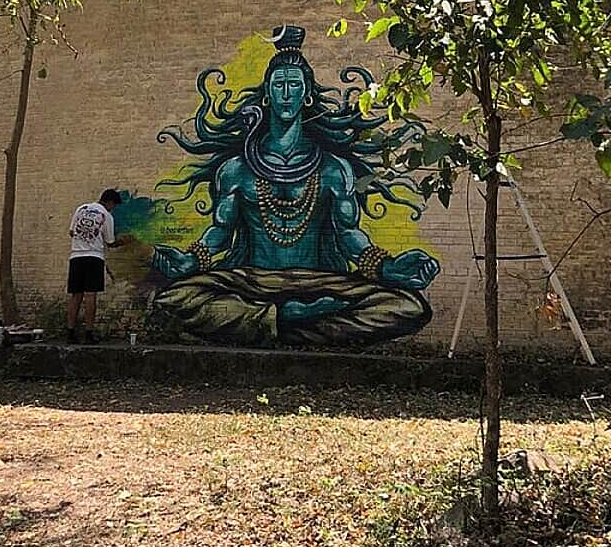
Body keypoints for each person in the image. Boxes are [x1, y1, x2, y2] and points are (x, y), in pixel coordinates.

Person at [150, 25, 440, 347]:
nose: (286, 94)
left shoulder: (333, 169)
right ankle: (293, 319)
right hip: (252, 280)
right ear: (267, 93)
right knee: (175, 297)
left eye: (294, 85)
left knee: (407, 305)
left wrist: (389, 267)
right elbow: (219, 233)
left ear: (307, 94)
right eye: (279, 85)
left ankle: (271, 320)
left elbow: (349, 236)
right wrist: (191, 261)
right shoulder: (236, 170)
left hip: (318, 283)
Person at [66, 188, 124, 343]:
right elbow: (110, 242)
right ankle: (89, 333)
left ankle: (70, 332)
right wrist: (124, 241)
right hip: (94, 257)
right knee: (90, 295)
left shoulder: (81, 208)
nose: (113, 208)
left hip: (76, 256)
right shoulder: (106, 216)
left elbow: (71, 232)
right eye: (114, 205)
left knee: (76, 295)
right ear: (110, 202)